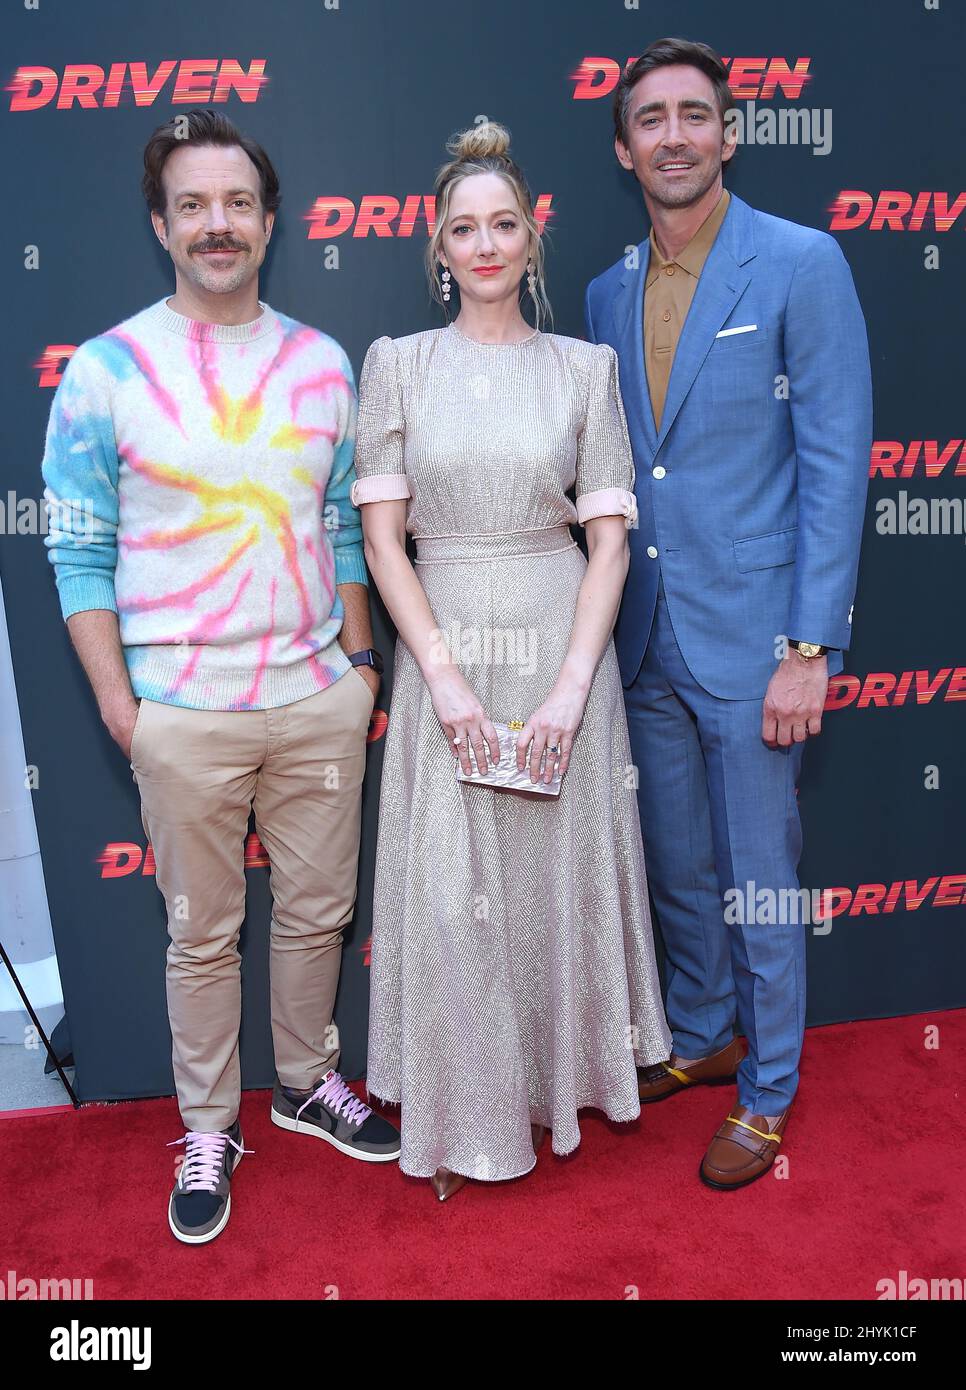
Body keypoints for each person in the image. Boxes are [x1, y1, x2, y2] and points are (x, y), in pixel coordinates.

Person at [40, 107, 400, 1245]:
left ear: (269, 219)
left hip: (315, 700)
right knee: (200, 931)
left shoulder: (321, 362)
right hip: (180, 713)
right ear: (160, 224)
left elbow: (344, 526)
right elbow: (78, 547)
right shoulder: (104, 372)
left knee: (318, 913)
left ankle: (306, 1081)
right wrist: (120, 706)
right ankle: (207, 1123)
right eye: (192, 205)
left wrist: (357, 664)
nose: (216, 224)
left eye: (236, 202)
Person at [351, 120, 672, 1202]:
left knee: (545, 889)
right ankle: (470, 1114)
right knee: (456, 895)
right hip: (444, 648)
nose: (484, 244)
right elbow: (384, 543)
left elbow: (610, 543)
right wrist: (438, 678)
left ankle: (551, 1089)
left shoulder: (586, 370)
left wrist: (574, 690)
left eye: (503, 224)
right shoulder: (395, 366)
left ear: (532, 237)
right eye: (462, 228)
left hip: (556, 644)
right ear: (436, 248)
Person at [585, 38, 873, 1188]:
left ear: (729, 133)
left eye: (694, 115)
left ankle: (768, 1091)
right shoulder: (610, 289)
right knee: (677, 867)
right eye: (650, 119)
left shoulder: (803, 263)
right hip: (644, 635)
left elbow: (836, 464)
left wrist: (810, 646)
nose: (673, 136)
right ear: (623, 148)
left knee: (760, 875)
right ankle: (701, 1038)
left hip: (759, 641)